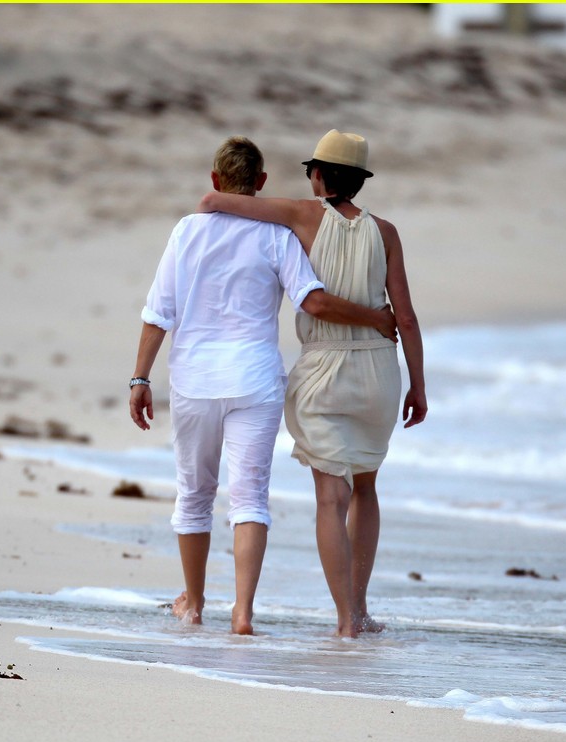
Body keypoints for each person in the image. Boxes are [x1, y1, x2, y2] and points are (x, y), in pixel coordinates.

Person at [130, 136, 397, 636]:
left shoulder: (186, 232)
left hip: (195, 380)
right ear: (262, 183)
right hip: (255, 380)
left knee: (194, 494)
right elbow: (312, 299)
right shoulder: (277, 237)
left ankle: (193, 603)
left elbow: (157, 313)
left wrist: (140, 377)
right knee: (249, 498)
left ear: (214, 181)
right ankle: (243, 612)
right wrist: (376, 319)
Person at [197, 129, 427, 637]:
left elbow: (216, 201)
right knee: (365, 486)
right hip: (380, 371)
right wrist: (418, 386)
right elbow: (405, 318)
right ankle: (361, 610)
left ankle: (344, 622)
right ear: (359, 182)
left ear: (319, 175)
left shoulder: (303, 215)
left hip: (325, 369)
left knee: (331, 498)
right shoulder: (386, 232)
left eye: (311, 170)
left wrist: (219, 195)